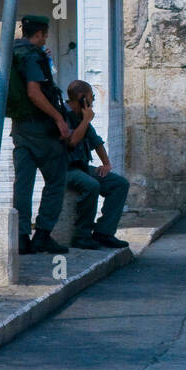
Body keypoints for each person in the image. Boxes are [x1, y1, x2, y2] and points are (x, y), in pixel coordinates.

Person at [9, 14, 71, 255]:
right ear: (41, 33)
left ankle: (22, 237)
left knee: (23, 184)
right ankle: (43, 234)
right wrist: (58, 119)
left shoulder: (12, 51)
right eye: (45, 34)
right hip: (41, 130)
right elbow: (35, 93)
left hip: (20, 128)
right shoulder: (32, 56)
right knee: (56, 180)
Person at [64, 81, 130, 250]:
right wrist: (86, 120)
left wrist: (106, 163)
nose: (92, 101)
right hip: (64, 169)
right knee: (91, 185)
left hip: (82, 167)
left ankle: (104, 232)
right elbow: (72, 142)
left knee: (119, 184)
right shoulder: (63, 115)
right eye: (91, 97)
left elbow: (96, 142)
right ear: (82, 98)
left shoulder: (82, 116)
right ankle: (82, 235)